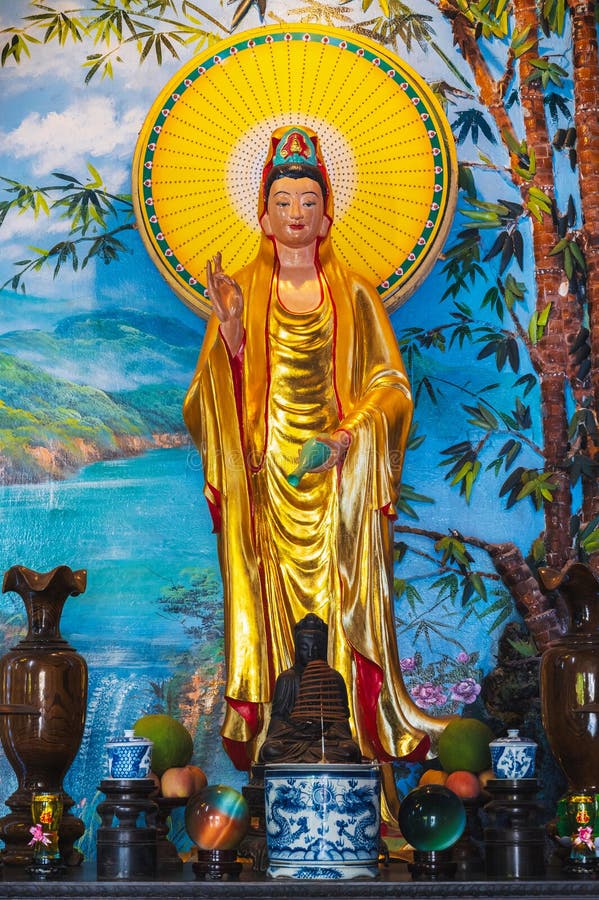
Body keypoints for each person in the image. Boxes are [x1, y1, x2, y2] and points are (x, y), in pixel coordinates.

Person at [183, 125, 451, 819]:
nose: (296, 212)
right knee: (277, 626)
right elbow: (203, 403)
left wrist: (346, 436)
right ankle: (279, 776)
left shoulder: (354, 292)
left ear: (328, 213)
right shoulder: (240, 292)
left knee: (343, 614)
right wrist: (231, 334)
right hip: (267, 484)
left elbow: (391, 388)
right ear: (263, 214)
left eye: (308, 199)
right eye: (283, 200)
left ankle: (356, 766)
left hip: (339, 484)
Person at [258, 613, 362, 765]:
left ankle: (311, 758)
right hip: (294, 741)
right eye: (304, 648)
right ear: (297, 650)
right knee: (270, 750)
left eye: (316, 648)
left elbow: (342, 722)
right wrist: (299, 731)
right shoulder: (287, 679)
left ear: (323, 649)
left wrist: (326, 732)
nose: (311, 653)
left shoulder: (334, 678)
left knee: (349, 751)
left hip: (325, 741)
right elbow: (277, 723)